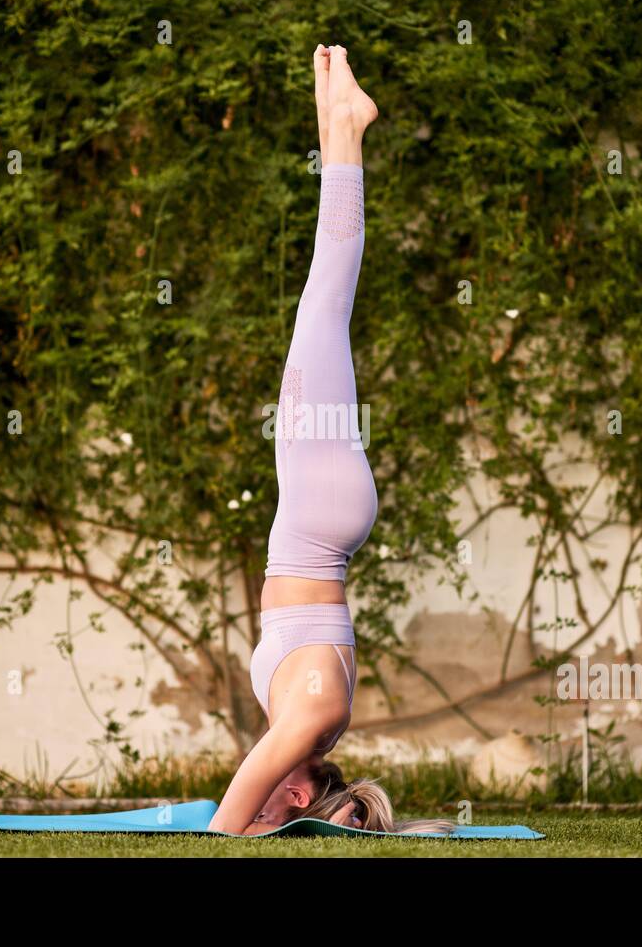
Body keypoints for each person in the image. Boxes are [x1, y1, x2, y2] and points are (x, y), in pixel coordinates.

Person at [207, 45, 452, 837]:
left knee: (324, 307)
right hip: (317, 518)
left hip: (325, 521)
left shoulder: (319, 725)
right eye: (290, 808)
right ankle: (344, 127)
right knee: (324, 299)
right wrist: (251, 830)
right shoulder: (307, 726)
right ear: (305, 798)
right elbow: (223, 832)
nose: (275, 796)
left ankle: (336, 124)